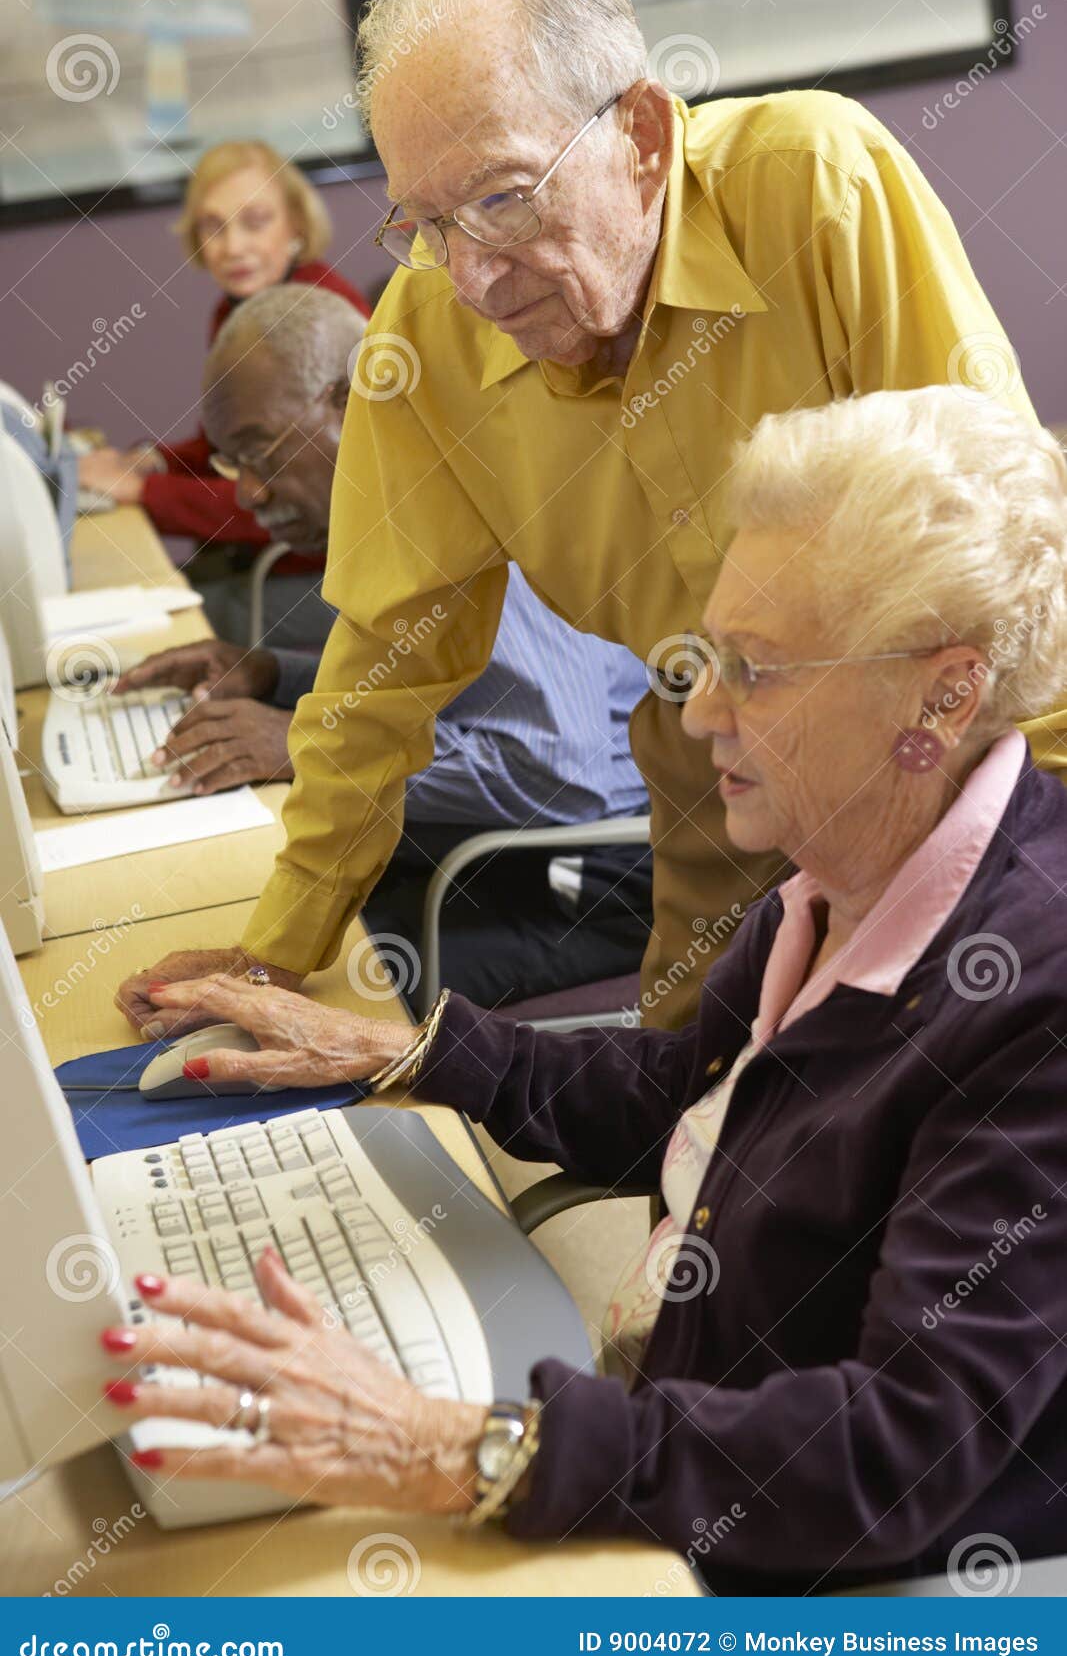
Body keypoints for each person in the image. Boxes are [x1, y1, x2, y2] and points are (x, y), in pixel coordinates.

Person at [102, 390, 1067, 1591]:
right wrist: (393, 1050)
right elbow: (700, 1091)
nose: (697, 709)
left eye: (753, 672)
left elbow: (892, 1456)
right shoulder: (835, 868)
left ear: (941, 696)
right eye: (707, 653)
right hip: (674, 1441)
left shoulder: (1031, 999)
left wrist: (460, 1446)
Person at [115, 0, 1067, 1041]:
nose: (469, 277)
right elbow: (380, 674)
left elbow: (1008, 562)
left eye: (503, 199)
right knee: (696, 1128)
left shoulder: (818, 185)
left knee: (961, 1087)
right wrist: (277, 949)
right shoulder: (420, 344)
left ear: (643, 139)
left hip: (939, 748)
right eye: (425, 223)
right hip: (711, 758)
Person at [117, 283, 653, 1007]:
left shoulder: (468, 489)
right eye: (228, 462)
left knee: (344, 988)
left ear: (352, 398)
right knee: (286, 908)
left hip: (586, 874)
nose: (245, 494)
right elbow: (440, 687)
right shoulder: (398, 489)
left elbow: (559, 772)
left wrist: (295, 746)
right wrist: (275, 677)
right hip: (512, 842)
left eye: (259, 452)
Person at [77, 140, 371, 644]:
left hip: (335, 577)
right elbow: (231, 452)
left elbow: (280, 498)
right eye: (214, 225)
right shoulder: (241, 309)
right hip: (273, 560)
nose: (232, 246)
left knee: (164, 632)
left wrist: (145, 492)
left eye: (254, 221)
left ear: (296, 227)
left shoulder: (316, 320)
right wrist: (152, 461)